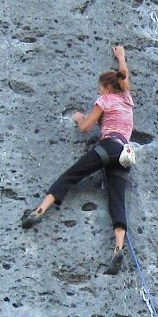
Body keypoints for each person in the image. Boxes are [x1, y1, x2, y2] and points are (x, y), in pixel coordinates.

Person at [21, 44, 135, 276]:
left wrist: (78, 117)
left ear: (106, 88)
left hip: (108, 146)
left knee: (70, 176)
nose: (99, 93)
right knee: (117, 201)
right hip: (125, 154)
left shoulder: (104, 100)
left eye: (100, 89)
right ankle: (118, 248)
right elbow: (124, 75)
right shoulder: (126, 99)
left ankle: (38, 211)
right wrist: (121, 57)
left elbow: (85, 128)